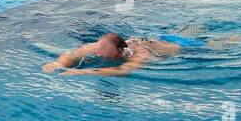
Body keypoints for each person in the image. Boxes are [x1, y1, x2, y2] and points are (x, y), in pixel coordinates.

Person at [42, 31, 203, 77]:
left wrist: (84, 71)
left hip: (181, 45)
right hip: (162, 37)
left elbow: (124, 71)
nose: (98, 52)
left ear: (120, 52)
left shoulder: (140, 55)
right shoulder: (98, 46)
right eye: (99, 47)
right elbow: (73, 54)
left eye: (104, 50)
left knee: (211, 41)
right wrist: (59, 63)